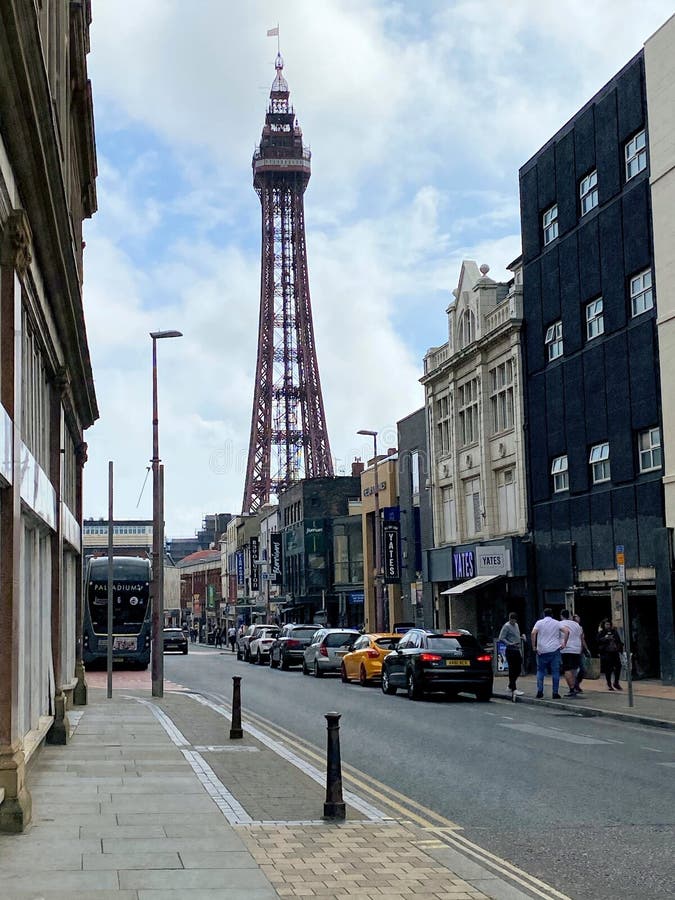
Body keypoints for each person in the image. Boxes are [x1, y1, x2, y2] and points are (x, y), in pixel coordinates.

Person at [531, 607, 566, 699]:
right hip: (554, 650)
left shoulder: (539, 623)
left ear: (543, 614)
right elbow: (567, 631)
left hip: (541, 650)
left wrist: (534, 646)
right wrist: (564, 643)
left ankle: (540, 691)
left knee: (540, 671)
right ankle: (555, 693)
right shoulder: (557, 623)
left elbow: (533, 633)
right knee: (555, 671)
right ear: (552, 615)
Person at [498, 612, 524, 700]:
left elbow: (516, 636)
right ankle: (514, 688)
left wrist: (521, 637)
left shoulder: (516, 625)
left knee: (518, 668)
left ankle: (510, 685)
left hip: (517, 649)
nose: (512, 622)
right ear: (509, 619)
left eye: (514, 620)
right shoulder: (506, 626)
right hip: (510, 650)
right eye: (511, 620)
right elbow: (501, 638)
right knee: (512, 669)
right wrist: (509, 643)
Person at [559, 609, 584, 697]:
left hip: (566, 649)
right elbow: (581, 637)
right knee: (574, 668)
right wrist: (581, 648)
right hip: (576, 649)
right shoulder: (576, 624)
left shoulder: (560, 624)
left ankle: (572, 688)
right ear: (569, 616)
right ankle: (575, 685)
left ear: (561, 616)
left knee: (567, 669)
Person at [597, 619, 623, 691]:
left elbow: (618, 641)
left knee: (618, 666)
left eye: (609, 624)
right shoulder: (601, 633)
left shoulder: (614, 632)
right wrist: (605, 638)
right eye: (606, 624)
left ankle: (616, 682)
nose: (608, 626)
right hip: (606, 652)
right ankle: (609, 683)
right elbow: (598, 641)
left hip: (614, 651)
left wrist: (619, 647)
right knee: (608, 668)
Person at [572, 613, 590, 693]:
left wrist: (586, 649)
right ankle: (574, 685)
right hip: (573, 650)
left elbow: (582, 639)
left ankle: (576, 684)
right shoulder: (571, 628)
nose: (578, 619)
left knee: (582, 669)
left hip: (580, 650)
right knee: (575, 669)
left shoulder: (580, 628)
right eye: (576, 618)